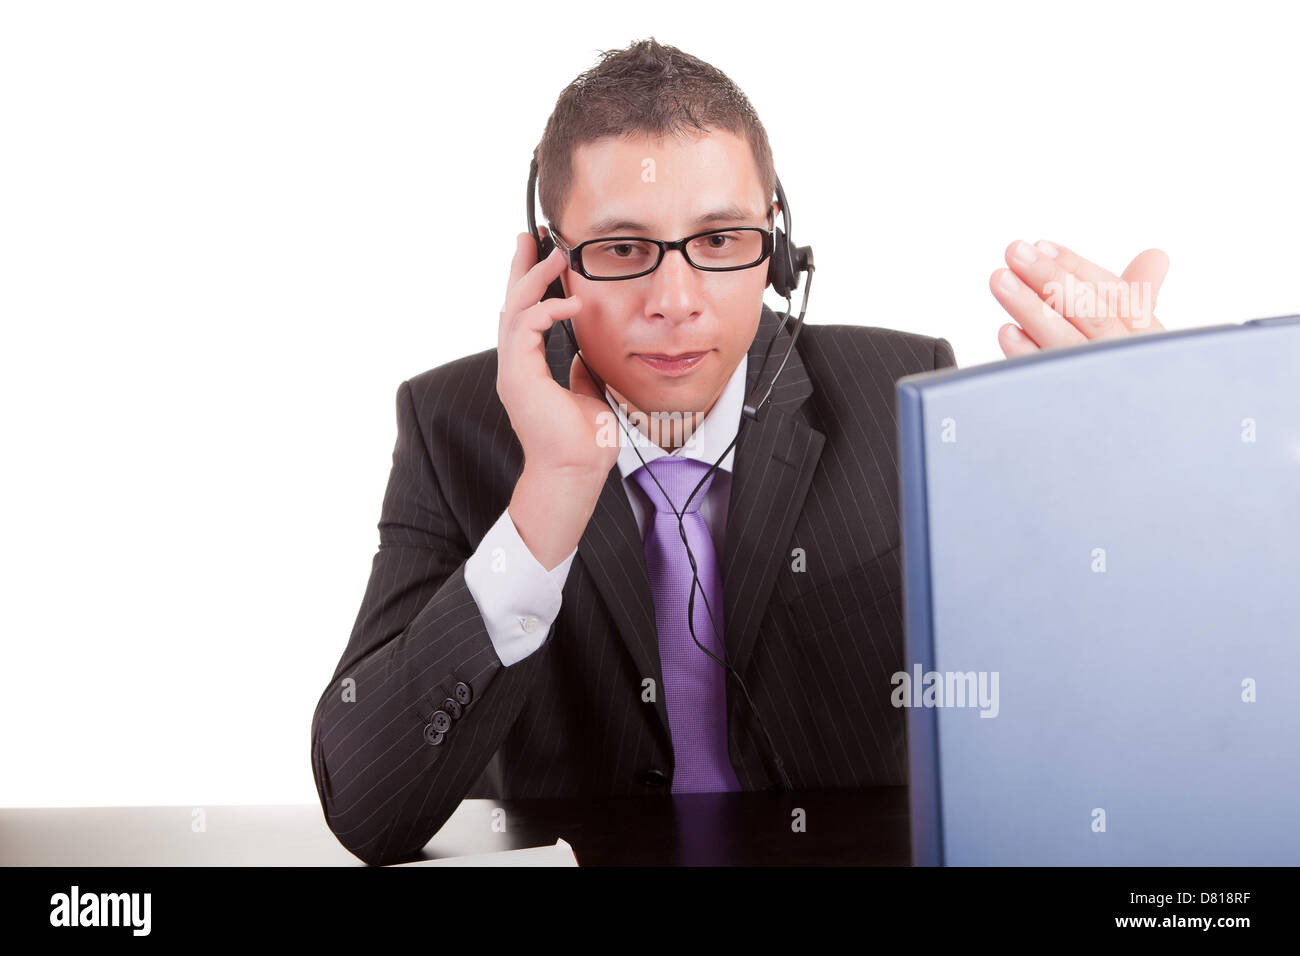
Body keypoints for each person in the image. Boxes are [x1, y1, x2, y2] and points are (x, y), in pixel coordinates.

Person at [309, 38, 1170, 866]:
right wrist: (550, 499)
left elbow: (1057, 713)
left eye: (719, 241)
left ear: (780, 253)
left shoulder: (903, 388)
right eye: (621, 248)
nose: (675, 301)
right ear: (551, 265)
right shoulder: (451, 423)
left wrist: (1135, 490)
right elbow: (367, 807)